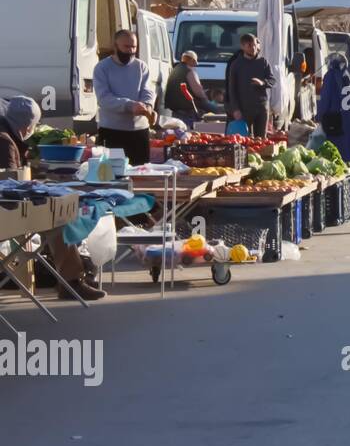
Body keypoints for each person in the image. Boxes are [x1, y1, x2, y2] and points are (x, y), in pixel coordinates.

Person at [0, 97, 105, 301]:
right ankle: (72, 282)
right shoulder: (5, 143)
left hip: (7, 208)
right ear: (26, 126)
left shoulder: (6, 135)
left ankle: (72, 280)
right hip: (6, 213)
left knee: (54, 214)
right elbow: (10, 187)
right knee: (58, 219)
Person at [92, 29, 155, 165]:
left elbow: (147, 90)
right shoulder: (102, 68)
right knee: (112, 174)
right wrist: (129, 105)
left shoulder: (141, 66)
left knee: (140, 175)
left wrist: (147, 105)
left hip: (139, 132)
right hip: (112, 131)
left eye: (134, 47)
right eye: (126, 47)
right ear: (115, 46)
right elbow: (104, 98)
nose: (131, 51)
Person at [226, 33, 276, 137]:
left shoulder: (263, 62)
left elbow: (272, 80)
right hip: (244, 108)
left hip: (261, 107)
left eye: (254, 45)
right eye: (249, 45)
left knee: (261, 139)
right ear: (242, 47)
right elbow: (231, 89)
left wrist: (262, 83)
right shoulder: (236, 64)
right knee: (243, 140)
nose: (253, 48)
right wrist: (235, 109)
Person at [316, 53, 350, 171]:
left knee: (337, 150)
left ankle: (340, 174)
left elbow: (325, 98)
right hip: (349, 117)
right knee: (349, 148)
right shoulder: (349, 77)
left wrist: (319, 116)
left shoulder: (330, 76)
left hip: (334, 119)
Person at [162, 51, 212, 128]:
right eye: (195, 62)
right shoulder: (189, 71)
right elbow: (198, 92)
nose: (195, 65)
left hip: (175, 109)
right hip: (187, 110)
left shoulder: (175, 69)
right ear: (191, 60)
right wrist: (206, 100)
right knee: (215, 110)